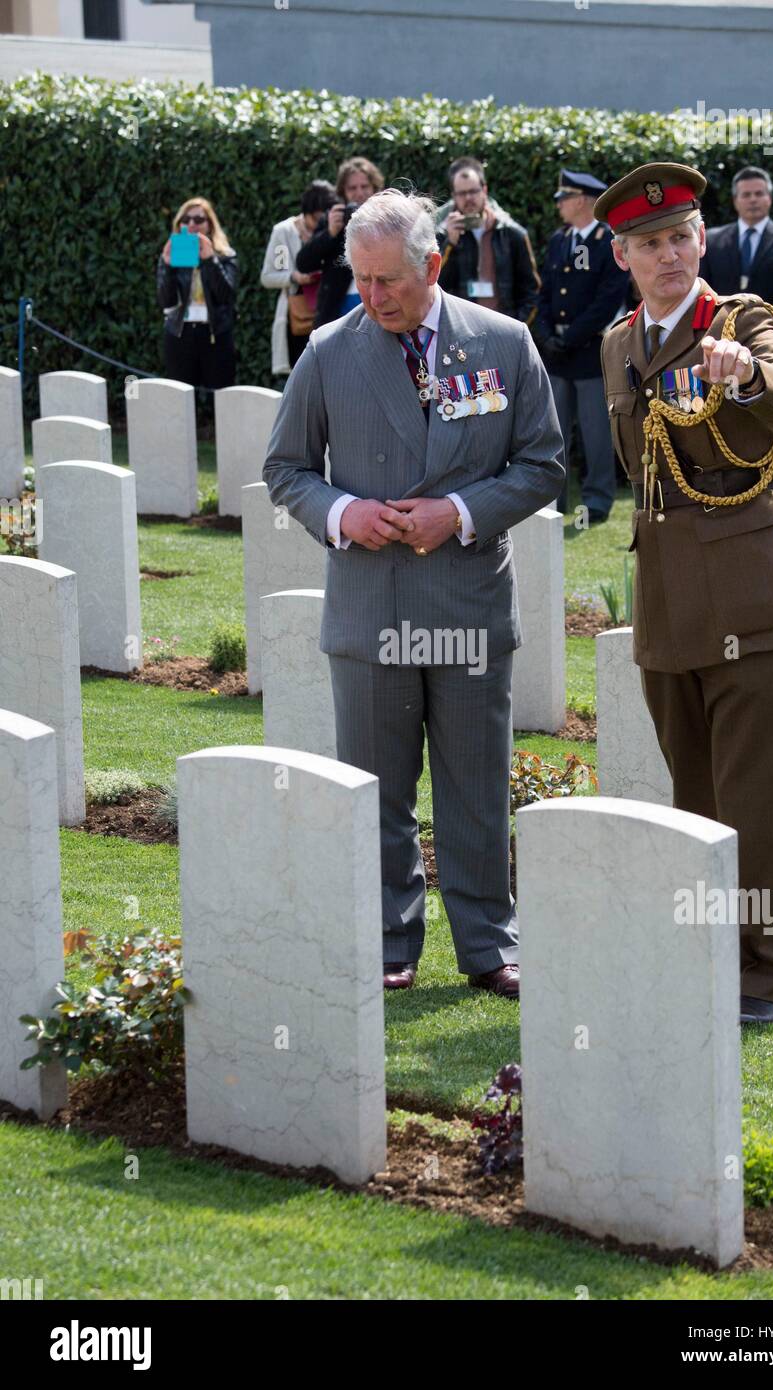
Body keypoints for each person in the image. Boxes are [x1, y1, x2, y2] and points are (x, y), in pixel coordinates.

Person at [263, 189, 564, 999]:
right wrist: (341, 512)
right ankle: (389, 940)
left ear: (433, 265)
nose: (371, 296)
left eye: (388, 280)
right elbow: (284, 469)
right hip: (372, 609)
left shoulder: (502, 342)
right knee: (377, 790)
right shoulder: (329, 351)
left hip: (467, 608)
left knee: (476, 786)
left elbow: (543, 463)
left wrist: (460, 512)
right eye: (360, 280)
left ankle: (488, 945)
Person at [595, 161, 773, 1026]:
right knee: (693, 797)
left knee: (758, 799)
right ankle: (708, 952)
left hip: (754, 600)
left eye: (680, 237)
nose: (668, 254)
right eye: (648, 243)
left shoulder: (741, 322)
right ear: (622, 255)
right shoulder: (619, 343)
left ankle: (767, 975)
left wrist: (743, 377)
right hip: (668, 602)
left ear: (703, 239)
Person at [700, 166, 773, 523]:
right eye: (746, 194)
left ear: (769, 197)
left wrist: (763, 319)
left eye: (758, 193)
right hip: (719, 354)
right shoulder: (715, 240)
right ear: (735, 200)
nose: (752, 200)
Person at [536, 169, 629, 519]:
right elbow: (545, 290)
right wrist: (545, 332)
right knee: (554, 431)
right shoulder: (560, 239)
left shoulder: (609, 242)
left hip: (590, 349)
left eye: (564, 198)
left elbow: (608, 299)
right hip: (558, 351)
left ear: (582, 200)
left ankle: (597, 499)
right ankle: (552, 500)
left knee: (595, 431)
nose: (559, 204)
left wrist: (571, 336)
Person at [436, 157, 540, 324]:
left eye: (474, 191)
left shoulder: (511, 234)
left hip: (503, 330)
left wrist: (517, 329)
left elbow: (531, 291)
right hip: (461, 331)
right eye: (462, 193)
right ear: (453, 196)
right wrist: (451, 244)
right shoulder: (441, 235)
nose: (468, 198)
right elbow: (432, 288)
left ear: (484, 190)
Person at [158, 196, 238, 391]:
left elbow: (226, 295)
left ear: (209, 224)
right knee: (180, 399)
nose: (192, 224)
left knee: (220, 397)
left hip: (215, 334)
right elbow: (165, 301)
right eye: (186, 220)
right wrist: (167, 267)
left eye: (199, 219)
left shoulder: (225, 256)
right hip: (180, 333)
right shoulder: (172, 255)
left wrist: (210, 260)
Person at [294, 157, 384, 326]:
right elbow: (303, 263)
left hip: (379, 305)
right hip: (338, 309)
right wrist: (329, 233)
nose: (359, 193)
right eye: (352, 188)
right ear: (343, 192)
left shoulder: (388, 216)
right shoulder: (334, 218)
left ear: (374, 188)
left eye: (364, 186)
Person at [260, 180, 337, 374]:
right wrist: (295, 277)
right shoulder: (285, 232)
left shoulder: (335, 230)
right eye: (316, 218)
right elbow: (269, 276)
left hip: (328, 309)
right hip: (297, 315)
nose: (319, 224)